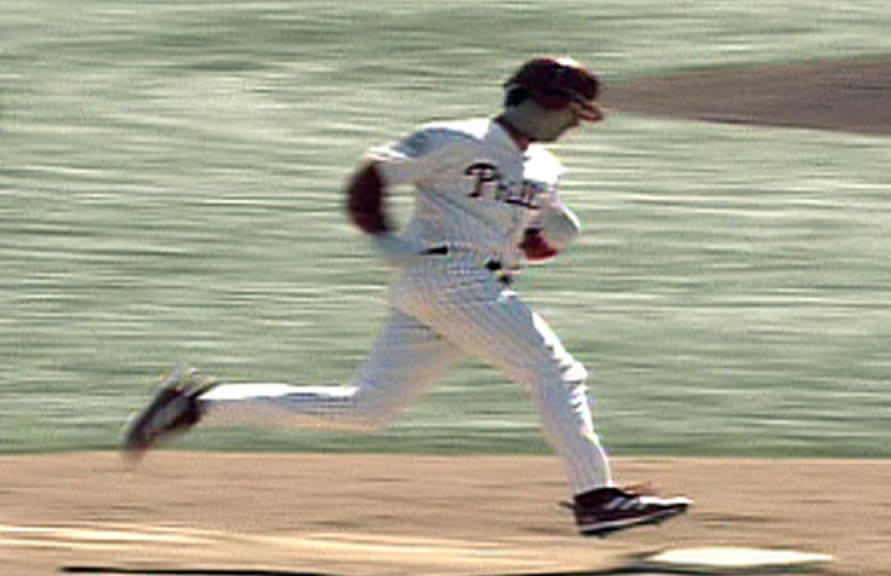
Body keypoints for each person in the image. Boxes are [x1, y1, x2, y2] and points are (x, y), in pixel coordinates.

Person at [124, 56, 691, 536]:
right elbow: (373, 176)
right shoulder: (455, 139)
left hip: (469, 286)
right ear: (543, 99)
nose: (575, 125)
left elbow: (530, 241)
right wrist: (384, 237)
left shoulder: (546, 167)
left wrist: (548, 240)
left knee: (367, 408)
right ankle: (596, 500)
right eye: (572, 111)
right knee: (557, 374)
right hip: (451, 278)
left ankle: (197, 405)